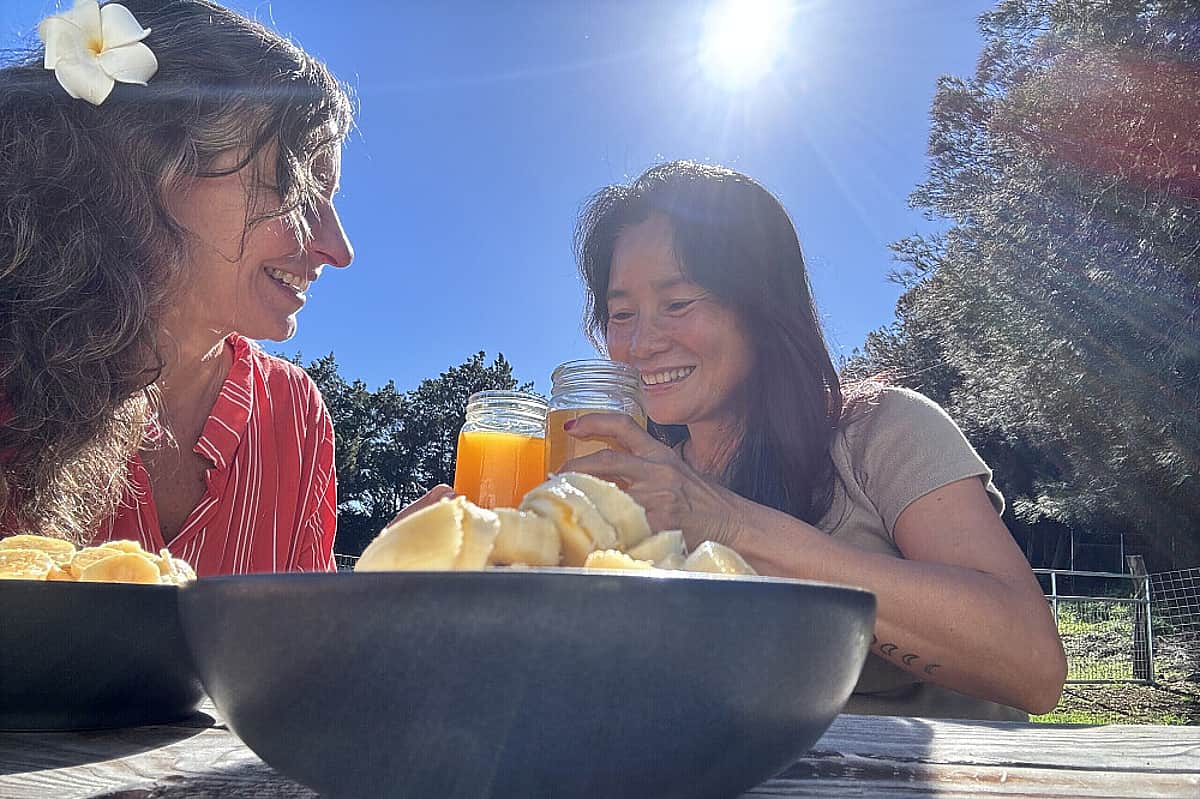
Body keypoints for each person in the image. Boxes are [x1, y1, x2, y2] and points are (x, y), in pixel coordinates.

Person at [561, 160, 1067, 720]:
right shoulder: (635, 486)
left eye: (677, 303)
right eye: (621, 313)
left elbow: (1032, 667)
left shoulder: (882, 429)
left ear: (762, 306)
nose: (640, 342)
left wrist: (732, 525)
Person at [0, 0, 354, 575]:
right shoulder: (11, 377)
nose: (338, 250)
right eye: (300, 185)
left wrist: (402, 591)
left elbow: (299, 657)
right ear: (149, 169)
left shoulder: (295, 416)